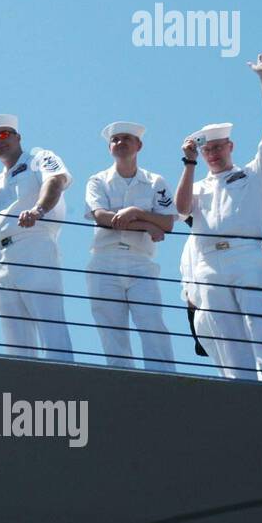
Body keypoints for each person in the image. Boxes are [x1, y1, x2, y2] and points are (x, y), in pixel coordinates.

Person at [174, 52, 262, 383]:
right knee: (226, 331)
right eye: (207, 149)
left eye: (219, 147)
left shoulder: (254, 173)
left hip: (246, 255)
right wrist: (188, 163)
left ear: (230, 146)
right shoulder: (197, 182)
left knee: (257, 322)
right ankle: (240, 388)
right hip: (209, 262)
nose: (213, 153)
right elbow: (181, 211)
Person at [0, 114, 73, 361]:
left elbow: (55, 181)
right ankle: (25, 389)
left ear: (18, 137)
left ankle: (64, 382)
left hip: (34, 242)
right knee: (15, 337)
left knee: (50, 324)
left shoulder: (39, 158)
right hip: (2, 256)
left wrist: (38, 210)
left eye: (5, 134)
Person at [83, 121, 178, 370]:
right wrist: (146, 225)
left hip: (140, 261)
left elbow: (168, 222)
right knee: (111, 331)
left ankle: (165, 382)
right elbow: (102, 217)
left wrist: (135, 211)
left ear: (139, 145)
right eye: (115, 140)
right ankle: (122, 382)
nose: (120, 143)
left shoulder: (155, 181)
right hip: (104, 259)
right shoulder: (98, 181)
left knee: (152, 324)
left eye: (126, 138)